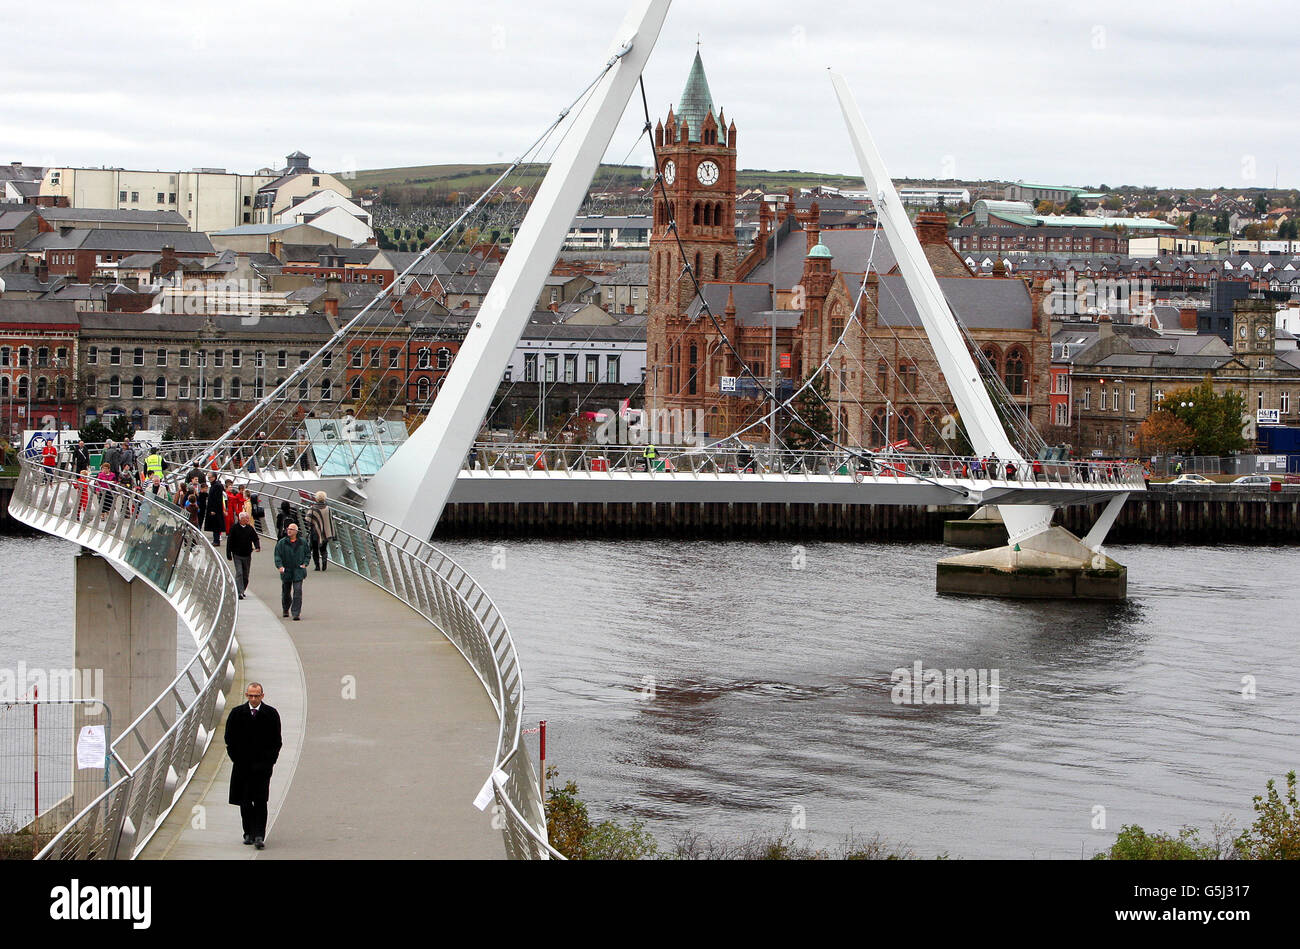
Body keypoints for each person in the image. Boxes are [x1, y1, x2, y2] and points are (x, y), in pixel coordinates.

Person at [224, 681, 281, 850]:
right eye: (251, 695)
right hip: (242, 766)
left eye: (257, 696)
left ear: (262, 696)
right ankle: (247, 832)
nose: (254, 698)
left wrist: (269, 762)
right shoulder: (236, 713)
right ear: (246, 696)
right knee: (245, 801)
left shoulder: (271, 714)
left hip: (263, 767)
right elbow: (229, 739)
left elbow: (276, 741)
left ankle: (259, 835)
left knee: (261, 800)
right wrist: (236, 758)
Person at [274, 522, 311, 621]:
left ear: (296, 531)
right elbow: (277, 555)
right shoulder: (282, 543)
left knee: (297, 591)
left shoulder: (302, 542)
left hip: (298, 570)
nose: (289, 531)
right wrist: (280, 566)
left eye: (291, 529)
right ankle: (285, 608)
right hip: (286, 570)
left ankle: (296, 613)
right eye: (288, 529)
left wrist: (305, 564)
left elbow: (308, 554)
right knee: (286, 592)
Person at [226, 511, 262, 600]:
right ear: (241, 519)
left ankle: (243, 589)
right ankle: (239, 592)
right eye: (246, 518)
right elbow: (229, 541)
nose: (248, 520)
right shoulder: (234, 528)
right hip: (237, 554)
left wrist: (257, 547)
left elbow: (255, 538)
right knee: (239, 573)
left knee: (245, 574)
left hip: (247, 555)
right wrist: (228, 553)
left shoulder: (250, 528)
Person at [306, 491, 335, 571]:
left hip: (315, 532)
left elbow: (308, 519)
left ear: (317, 498)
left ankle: (317, 566)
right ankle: (324, 562)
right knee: (323, 548)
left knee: (315, 549)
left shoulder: (313, 508)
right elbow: (330, 519)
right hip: (325, 532)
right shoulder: (328, 509)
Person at [204, 473, 226, 545]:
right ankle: (215, 540)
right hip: (214, 508)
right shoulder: (215, 485)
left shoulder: (216, 486)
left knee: (216, 525)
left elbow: (217, 499)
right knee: (214, 525)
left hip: (216, 509)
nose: (209, 479)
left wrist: (213, 509)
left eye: (210, 477)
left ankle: (216, 541)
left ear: (214, 477)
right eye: (208, 477)